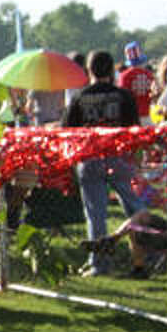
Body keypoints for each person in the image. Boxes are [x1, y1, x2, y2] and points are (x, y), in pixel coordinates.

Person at [64, 50, 147, 276]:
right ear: (112, 70)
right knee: (135, 209)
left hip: (90, 160)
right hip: (120, 158)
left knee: (96, 214)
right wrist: (137, 159)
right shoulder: (124, 96)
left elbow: (69, 133)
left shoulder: (79, 98)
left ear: (89, 70)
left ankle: (99, 264)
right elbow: (135, 129)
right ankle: (144, 257)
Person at [116, 41, 155, 123]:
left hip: (131, 117)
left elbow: (121, 97)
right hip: (146, 116)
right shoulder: (149, 75)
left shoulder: (124, 76)